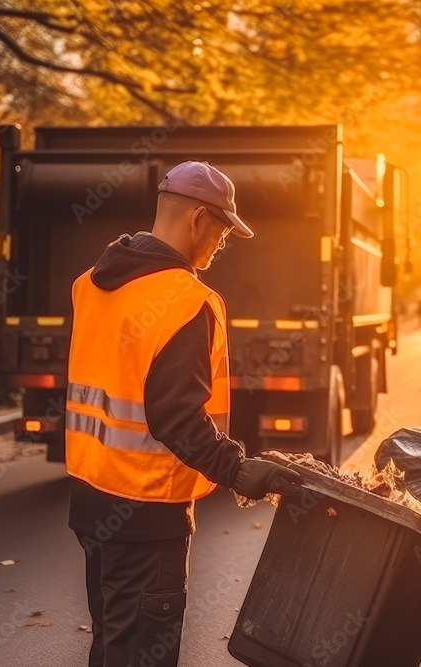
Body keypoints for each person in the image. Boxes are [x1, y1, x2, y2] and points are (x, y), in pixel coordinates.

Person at [65, 161, 302, 667]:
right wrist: (238, 470)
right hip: (146, 513)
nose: (221, 243)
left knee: (111, 645)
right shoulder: (186, 302)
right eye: (221, 229)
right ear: (198, 219)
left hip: (91, 500)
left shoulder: (91, 284)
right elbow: (175, 416)